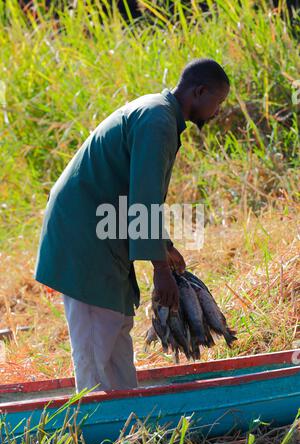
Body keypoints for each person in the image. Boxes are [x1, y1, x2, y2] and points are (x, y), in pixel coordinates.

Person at [34, 58, 230, 393]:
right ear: (199, 92)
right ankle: (95, 430)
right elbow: (143, 199)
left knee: (116, 322)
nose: (217, 112)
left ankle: (128, 426)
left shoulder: (159, 114)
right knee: (98, 335)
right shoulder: (158, 120)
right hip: (85, 232)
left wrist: (164, 248)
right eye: (219, 102)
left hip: (100, 228)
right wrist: (160, 270)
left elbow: (139, 191)